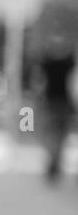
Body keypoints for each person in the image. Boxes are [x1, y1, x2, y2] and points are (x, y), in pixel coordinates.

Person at [35, 34, 75, 184]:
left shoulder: (48, 63)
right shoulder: (66, 64)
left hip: (52, 103)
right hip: (63, 103)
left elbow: (39, 79)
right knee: (60, 136)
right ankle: (55, 164)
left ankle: (53, 165)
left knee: (53, 135)